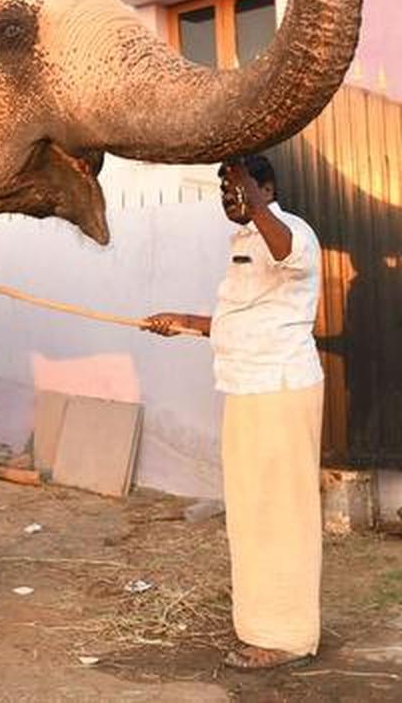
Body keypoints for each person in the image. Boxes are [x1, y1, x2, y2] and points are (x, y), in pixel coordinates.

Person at [144, 154, 324, 671]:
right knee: (250, 513)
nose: (229, 198)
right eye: (224, 191)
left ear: (266, 188)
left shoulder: (290, 230)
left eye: (238, 187)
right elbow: (241, 318)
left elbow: (289, 254)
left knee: (280, 514)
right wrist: (182, 321)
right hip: (247, 389)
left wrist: (254, 199)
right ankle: (262, 625)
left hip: (279, 388)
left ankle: (287, 636)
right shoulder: (244, 242)